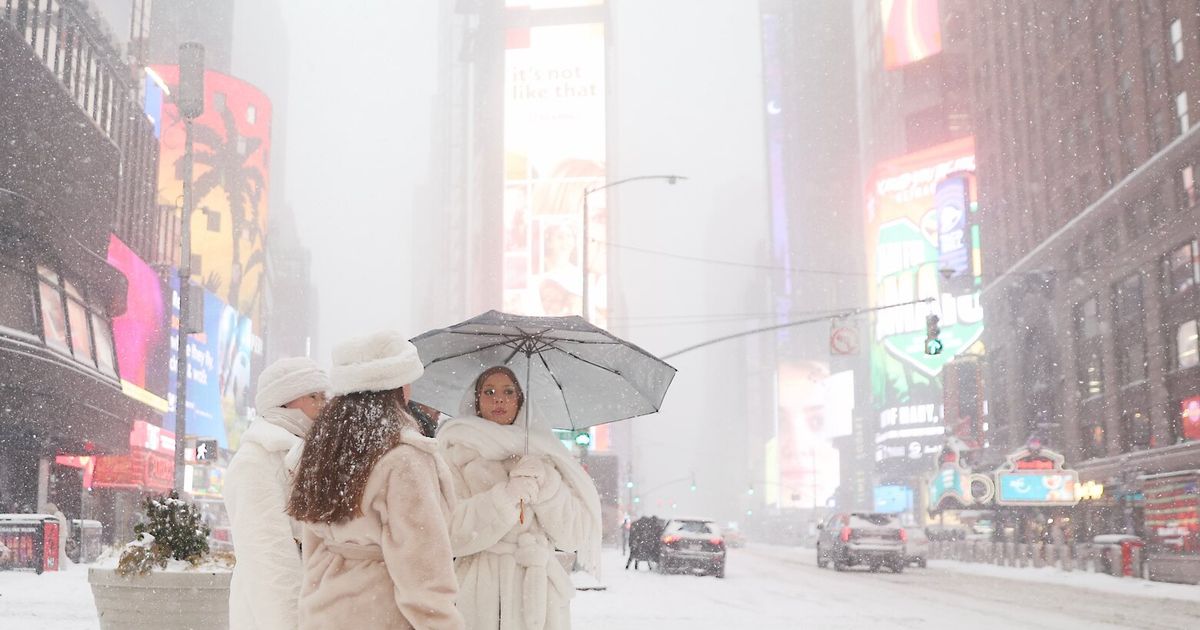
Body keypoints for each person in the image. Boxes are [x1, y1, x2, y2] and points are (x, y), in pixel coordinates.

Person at [287, 331, 464, 630]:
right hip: (380, 610)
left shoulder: (322, 449)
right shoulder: (404, 457)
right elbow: (422, 566)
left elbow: (313, 542)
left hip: (324, 610)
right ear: (395, 387)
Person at [438, 366, 602, 630]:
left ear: (520, 400)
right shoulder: (455, 452)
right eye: (489, 391)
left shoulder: (546, 453)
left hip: (539, 594)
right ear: (476, 400)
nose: (499, 399)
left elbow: (574, 535)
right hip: (479, 593)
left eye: (508, 391)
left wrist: (547, 485)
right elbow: (450, 533)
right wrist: (506, 497)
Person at [225, 357, 330, 630]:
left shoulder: (307, 454)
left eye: (324, 396)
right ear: (285, 400)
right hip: (273, 615)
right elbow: (268, 558)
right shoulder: (257, 460)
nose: (323, 405)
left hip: (314, 604)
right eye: (313, 396)